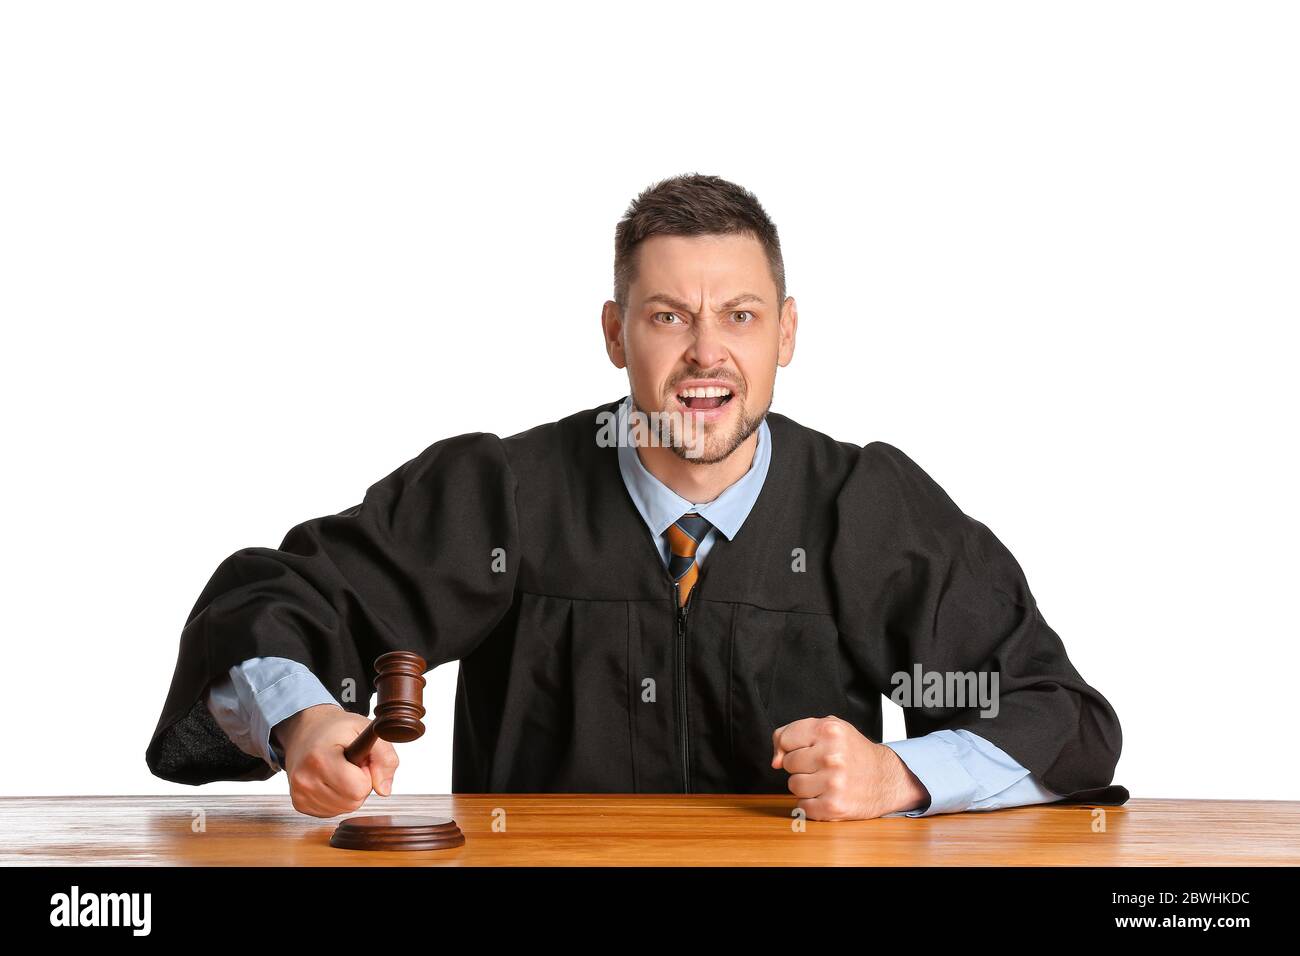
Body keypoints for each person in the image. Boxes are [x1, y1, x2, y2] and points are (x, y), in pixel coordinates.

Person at [146, 173, 1125, 821]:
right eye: (669, 317)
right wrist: (303, 717)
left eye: (738, 316)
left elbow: (1052, 713)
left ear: (785, 333)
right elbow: (278, 598)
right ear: (616, 333)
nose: (706, 353)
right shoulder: (507, 495)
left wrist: (899, 773)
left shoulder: (864, 510)